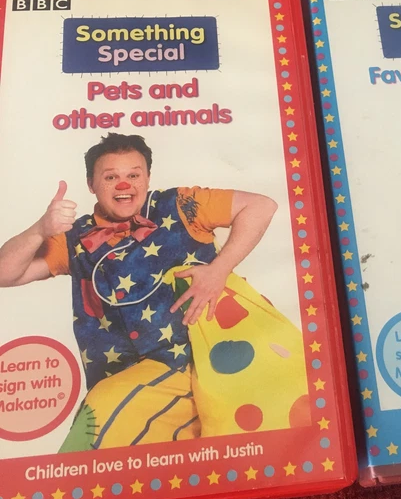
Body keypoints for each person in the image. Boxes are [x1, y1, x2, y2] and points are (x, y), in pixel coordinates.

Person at [0, 133, 308, 450]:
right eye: (110, 177)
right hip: (134, 376)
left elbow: (260, 206)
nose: (124, 185)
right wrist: (39, 230)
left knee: (104, 416)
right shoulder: (74, 238)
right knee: (116, 436)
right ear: (91, 184)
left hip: (204, 359)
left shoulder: (181, 205)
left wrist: (219, 270)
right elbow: (5, 273)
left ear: (147, 177)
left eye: (134, 175)